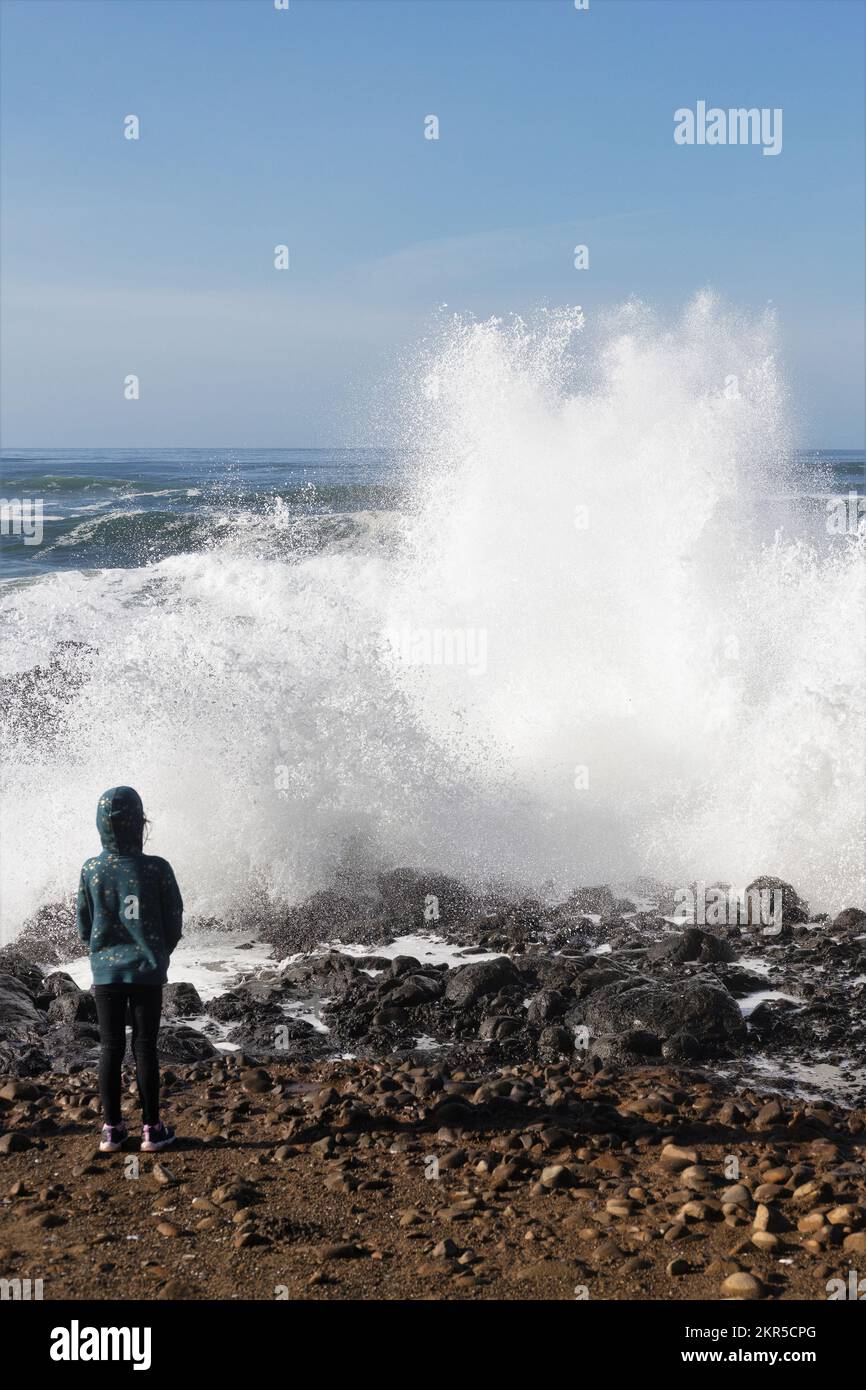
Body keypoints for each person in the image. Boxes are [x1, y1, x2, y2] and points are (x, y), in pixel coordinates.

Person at [76, 786, 182, 1153]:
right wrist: (157, 955)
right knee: (145, 1047)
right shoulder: (156, 868)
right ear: (140, 823)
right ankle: (152, 1129)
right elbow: (174, 922)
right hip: (146, 973)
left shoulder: (91, 870)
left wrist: (102, 954)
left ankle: (112, 1131)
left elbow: (83, 926)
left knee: (109, 1047)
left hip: (105, 974)